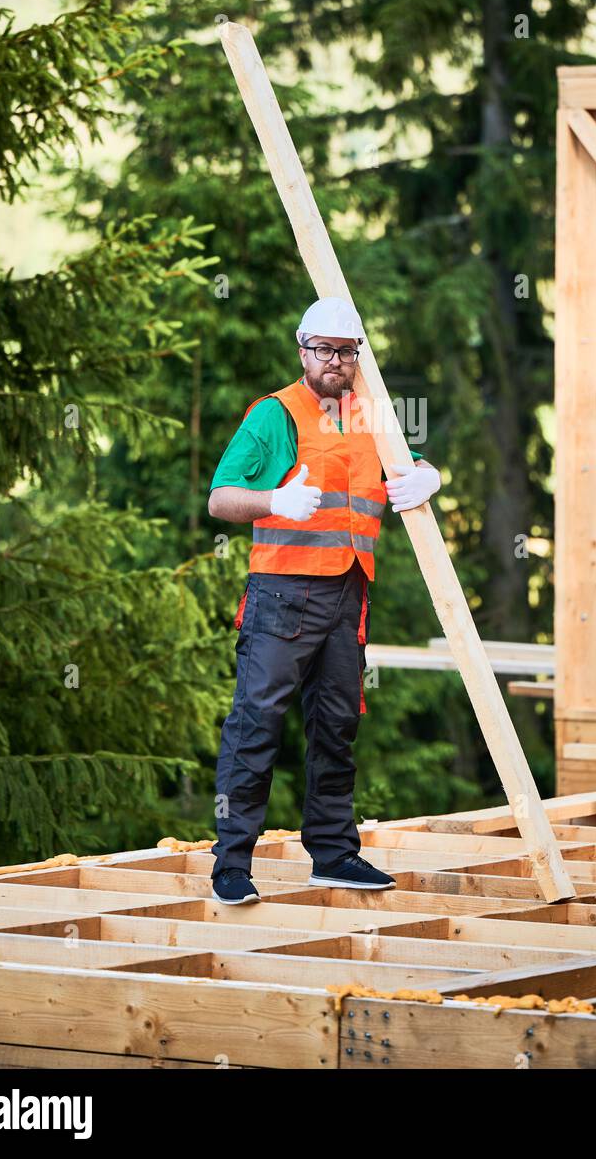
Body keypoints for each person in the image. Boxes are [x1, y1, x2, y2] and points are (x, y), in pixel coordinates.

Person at [207, 296, 442, 904]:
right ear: (302, 348)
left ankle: (334, 854)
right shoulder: (275, 414)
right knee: (256, 725)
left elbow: (402, 470)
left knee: (336, 726)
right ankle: (231, 863)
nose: (335, 361)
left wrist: (427, 475)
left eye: (346, 351)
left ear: (357, 354)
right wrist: (273, 502)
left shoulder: (372, 417)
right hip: (282, 593)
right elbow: (221, 499)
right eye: (324, 350)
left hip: (347, 592)